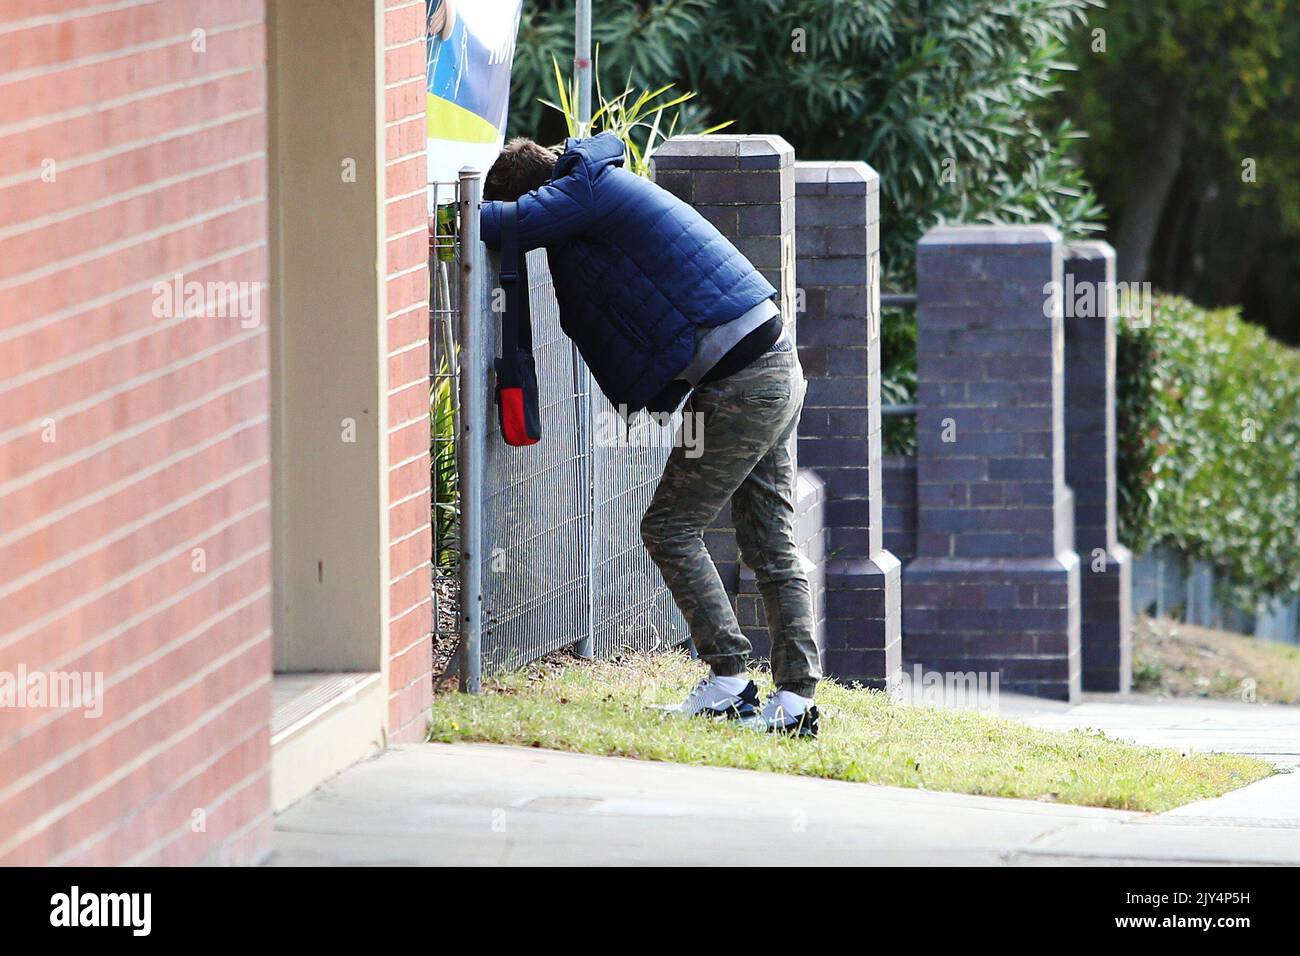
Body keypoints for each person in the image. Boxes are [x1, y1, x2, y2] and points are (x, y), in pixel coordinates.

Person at [479, 132, 820, 736]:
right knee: (770, 542)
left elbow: (504, 222)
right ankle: (795, 703)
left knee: (669, 527)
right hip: (771, 365)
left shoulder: (586, 187)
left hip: (744, 382)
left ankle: (730, 681)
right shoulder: (596, 184)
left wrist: (415, 210)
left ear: (542, 187)